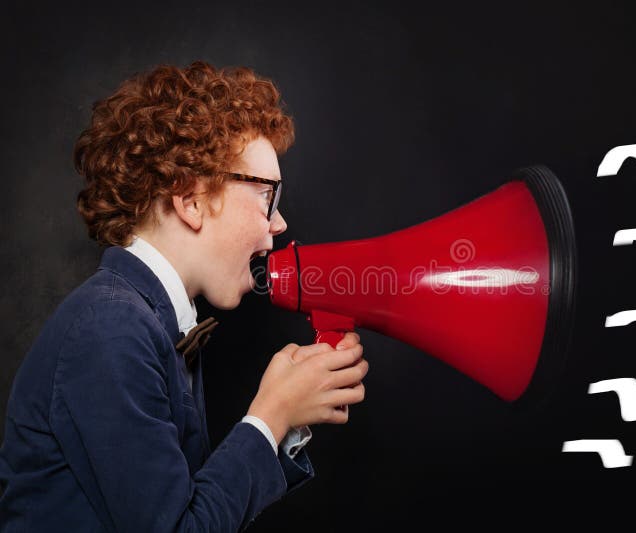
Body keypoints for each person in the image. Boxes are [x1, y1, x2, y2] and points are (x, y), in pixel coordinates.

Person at [0, 61, 368, 531]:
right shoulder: (110, 329)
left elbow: (189, 505)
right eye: (267, 197)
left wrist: (289, 418)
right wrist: (271, 414)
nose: (279, 224)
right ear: (191, 199)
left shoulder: (146, 320)